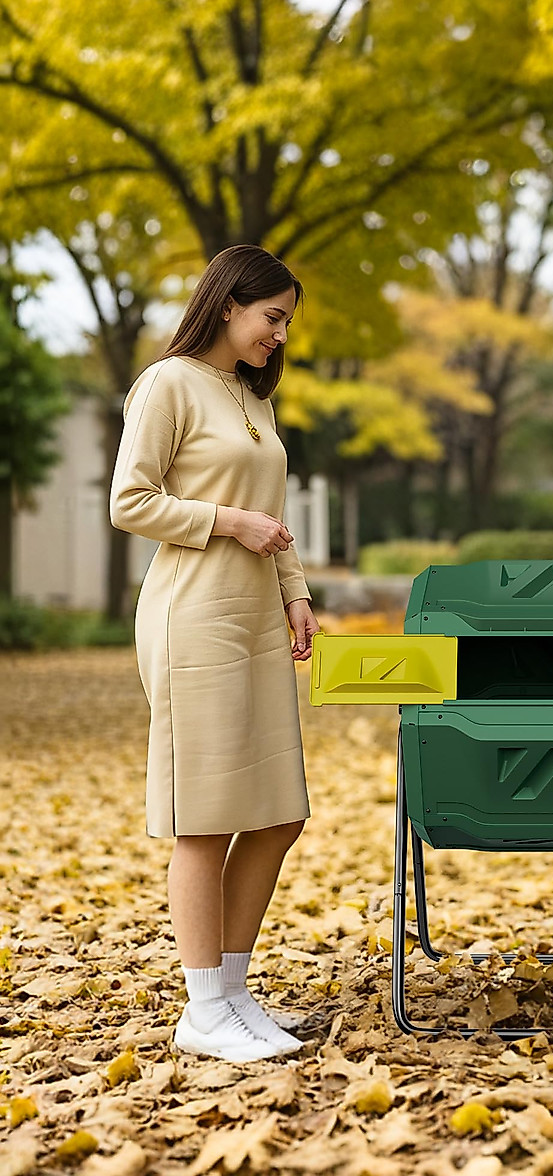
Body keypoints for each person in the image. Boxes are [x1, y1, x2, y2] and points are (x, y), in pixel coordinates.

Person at [111, 245, 320, 1062]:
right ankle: (203, 1008)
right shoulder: (167, 384)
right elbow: (132, 500)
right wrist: (229, 524)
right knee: (203, 820)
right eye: (273, 318)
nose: (279, 335)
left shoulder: (249, 396)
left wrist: (295, 592)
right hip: (193, 614)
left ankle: (231, 993)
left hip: (257, 617)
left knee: (278, 812)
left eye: (286, 324)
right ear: (229, 303)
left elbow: (272, 508)